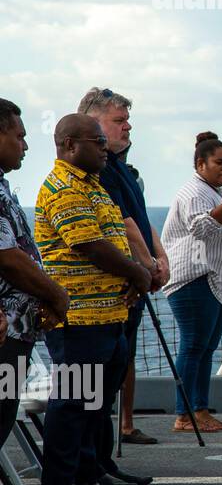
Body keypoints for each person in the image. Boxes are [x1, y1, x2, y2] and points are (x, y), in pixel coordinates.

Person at [35, 114, 154, 485]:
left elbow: (113, 240)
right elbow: (91, 245)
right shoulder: (65, 188)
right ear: (70, 145)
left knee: (95, 402)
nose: (105, 147)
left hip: (108, 316)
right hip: (78, 319)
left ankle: (92, 470)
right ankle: (60, 483)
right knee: (72, 402)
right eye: (96, 141)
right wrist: (137, 272)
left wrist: (131, 281)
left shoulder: (96, 187)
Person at [77, 87, 169, 446]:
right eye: (119, 121)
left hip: (131, 284)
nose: (127, 127)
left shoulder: (120, 170)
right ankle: (82, 470)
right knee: (90, 388)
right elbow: (122, 225)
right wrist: (147, 267)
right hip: (106, 291)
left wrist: (158, 262)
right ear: (92, 124)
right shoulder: (99, 176)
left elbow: (139, 219)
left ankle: (99, 462)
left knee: (117, 365)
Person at [0, 100, 70, 485]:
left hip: (18, 328)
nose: (25, 144)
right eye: (18, 135)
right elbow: (7, 259)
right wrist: (54, 292)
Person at [160, 132, 222, 433]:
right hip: (194, 278)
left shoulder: (218, 193)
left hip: (216, 279)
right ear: (200, 163)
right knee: (193, 346)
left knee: (205, 348)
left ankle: (198, 409)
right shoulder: (194, 192)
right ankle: (185, 413)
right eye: (219, 162)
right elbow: (202, 228)